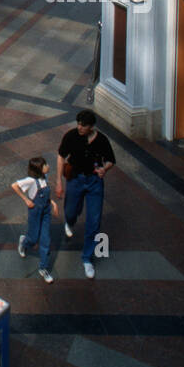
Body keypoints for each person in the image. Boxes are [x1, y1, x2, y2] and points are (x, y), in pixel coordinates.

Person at [56, 109, 116, 278]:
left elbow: (111, 160)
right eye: (78, 124)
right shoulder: (71, 136)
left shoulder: (102, 140)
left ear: (91, 126)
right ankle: (70, 221)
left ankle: (87, 258)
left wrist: (104, 169)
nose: (80, 127)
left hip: (94, 182)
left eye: (83, 125)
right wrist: (59, 181)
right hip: (75, 180)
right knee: (70, 211)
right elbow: (61, 156)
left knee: (94, 221)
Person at [12, 156, 59, 284]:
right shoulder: (31, 181)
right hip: (35, 212)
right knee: (33, 238)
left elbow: (46, 196)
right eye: (45, 165)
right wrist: (26, 200)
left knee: (45, 240)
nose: (48, 166)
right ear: (39, 168)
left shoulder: (45, 178)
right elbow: (14, 186)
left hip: (46, 212)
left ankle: (43, 268)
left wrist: (53, 204)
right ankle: (24, 242)